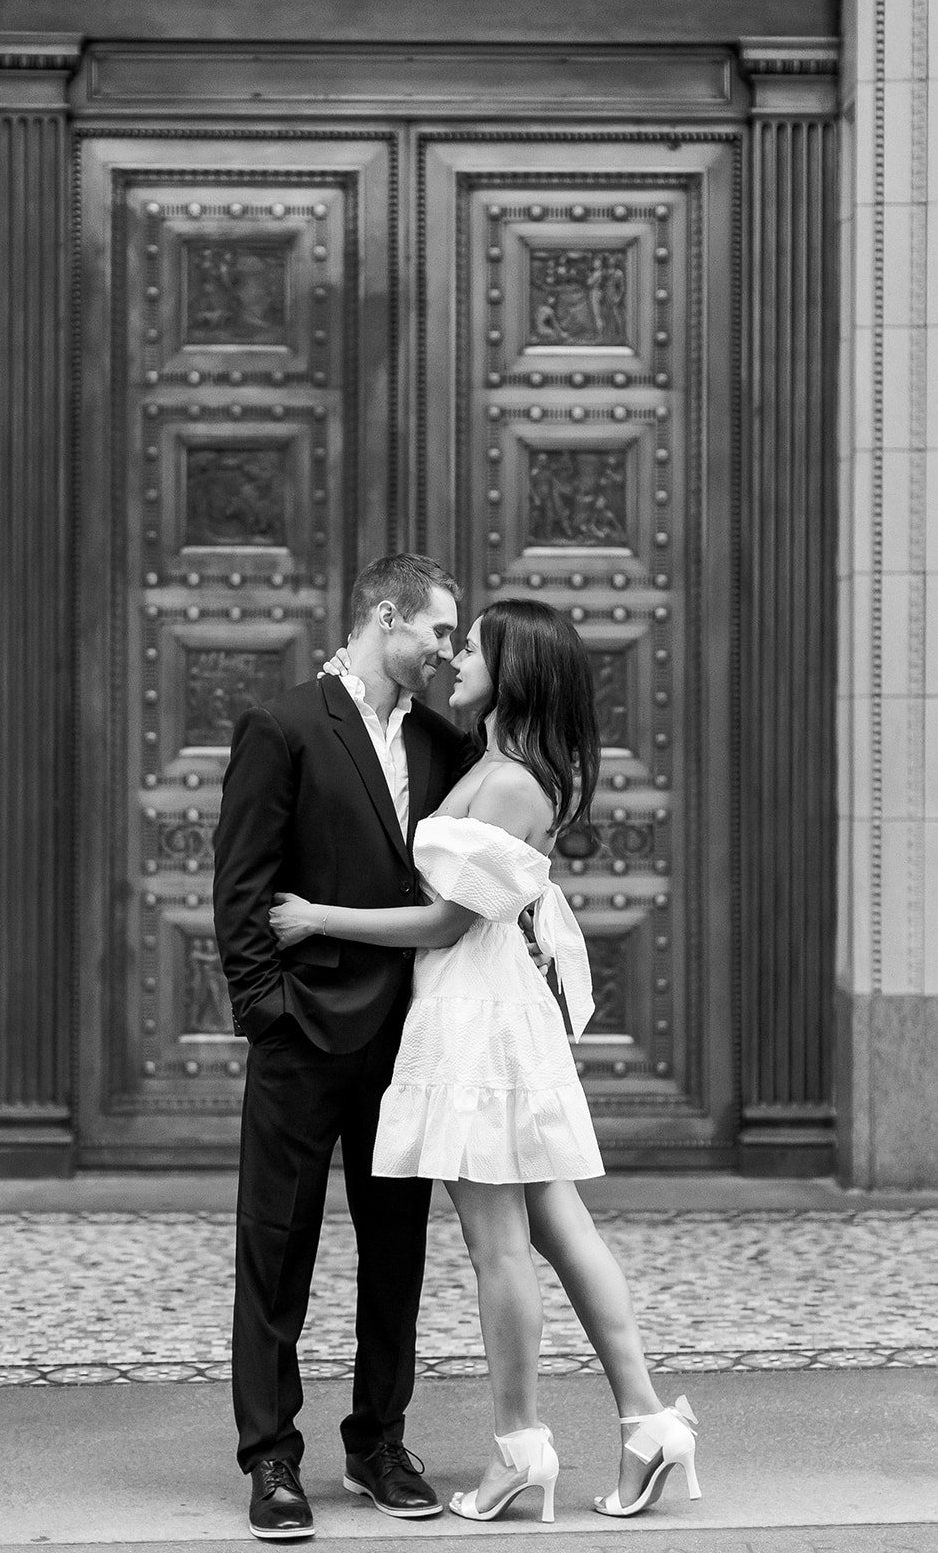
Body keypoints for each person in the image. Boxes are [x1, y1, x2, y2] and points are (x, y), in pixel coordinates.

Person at [270, 599, 701, 1524]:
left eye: (470, 648)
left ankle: (519, 1447)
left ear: (513, 670)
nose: (454, 658)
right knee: (559, 1226)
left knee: (498, 1244)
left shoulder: (509, 783)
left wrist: (316, 917)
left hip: (473, 1014)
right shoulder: (494, 763)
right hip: (484, 1001)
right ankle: (647, 1423)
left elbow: (446, 922)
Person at [213, 553, 475, 1540]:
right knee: (274, 1248)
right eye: (437, 630)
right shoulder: (283, 724)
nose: (445, 650)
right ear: (385, 617)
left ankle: (377, 1443)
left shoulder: (443, 743)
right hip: (302, 1033)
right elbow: (241, 886)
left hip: (408, 1038)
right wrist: (267, 1012)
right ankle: (270, 1457)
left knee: (396, 1251)